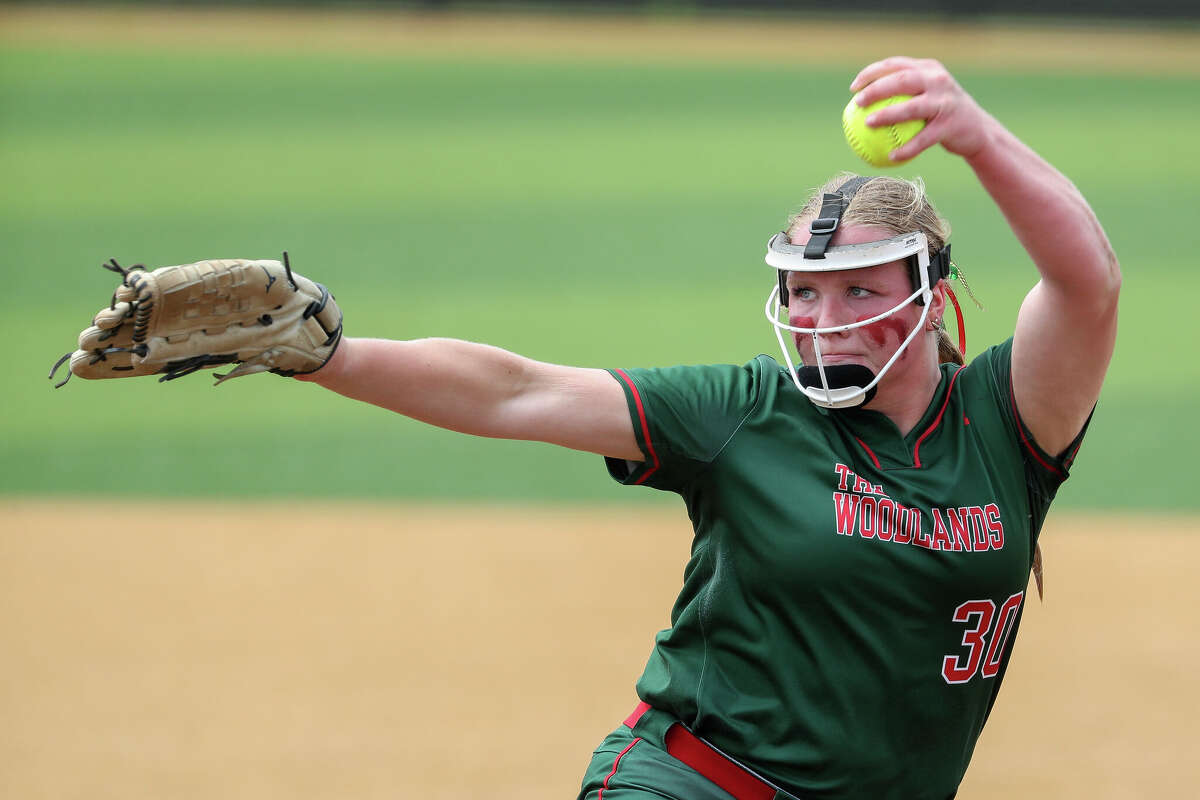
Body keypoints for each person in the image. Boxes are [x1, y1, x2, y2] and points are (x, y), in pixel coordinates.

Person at [60, 57, 1119, 799]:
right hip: (692, 783)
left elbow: (1088, 281)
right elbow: (514, 390)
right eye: (801, 292)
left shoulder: (1004, 419)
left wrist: (974, 134)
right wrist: (328, 354)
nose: (816, 318)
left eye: (852, 291)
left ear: (931, 294)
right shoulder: (747, 411)